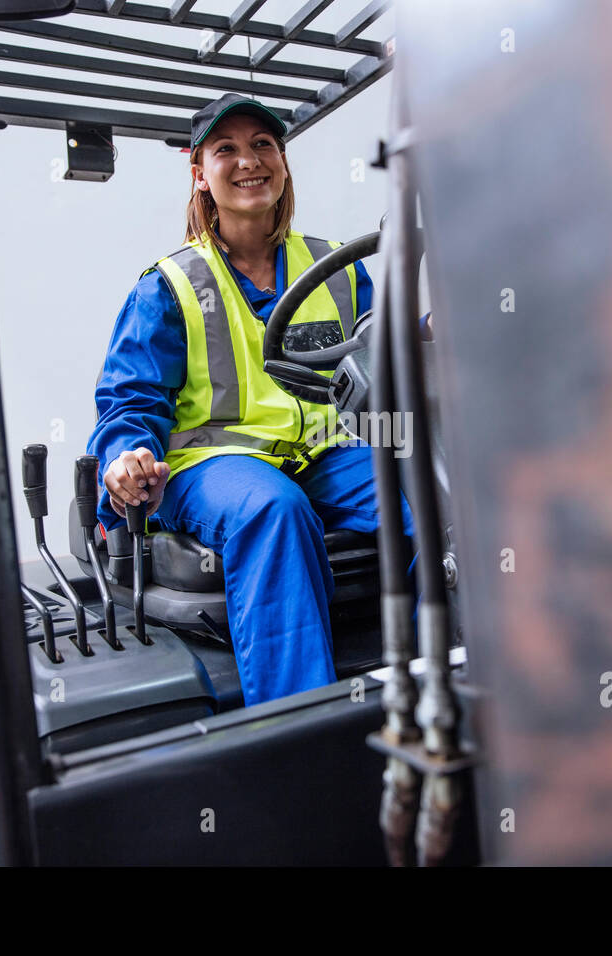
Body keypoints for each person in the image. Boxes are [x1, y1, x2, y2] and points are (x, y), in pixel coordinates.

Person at [87, 93, 418, 707]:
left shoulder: (336, 268)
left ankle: (451, 686)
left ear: (284, 162)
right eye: (227, 150)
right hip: (212, 467)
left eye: (263, 145)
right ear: (201, 174)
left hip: (321, 452)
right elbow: (130, 400)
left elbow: (386, 345)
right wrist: (128, 455)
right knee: (272, 509)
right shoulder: (171, 286)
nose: (249, 161)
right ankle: (303, 730)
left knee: (430, 488)